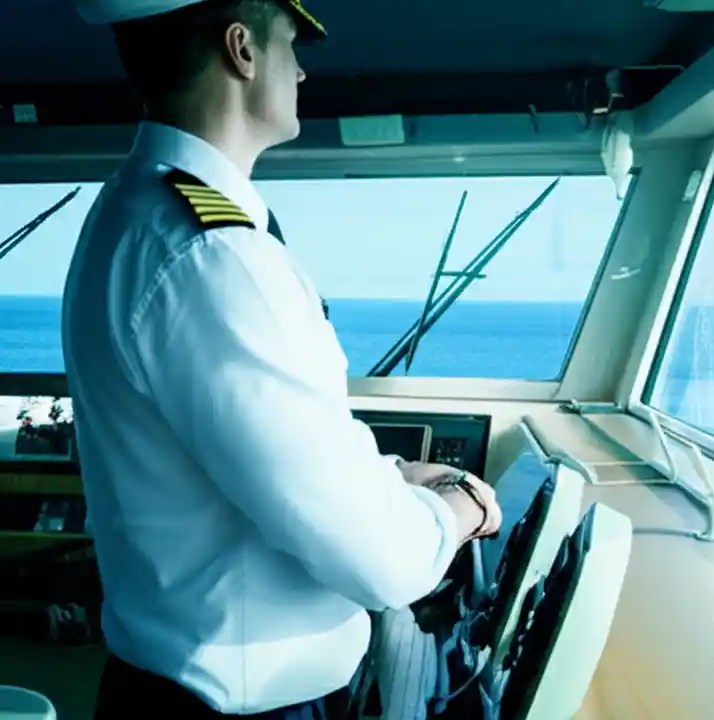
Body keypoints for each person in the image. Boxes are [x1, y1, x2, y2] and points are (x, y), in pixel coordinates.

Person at [62, 1, 503, 717]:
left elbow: (233, 466)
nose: (300, 68)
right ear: (241, 50)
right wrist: (461, 507)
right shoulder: (214, 256)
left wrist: (393, 478)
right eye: (291, 44)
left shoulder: (134, 213)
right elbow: (380, 560)